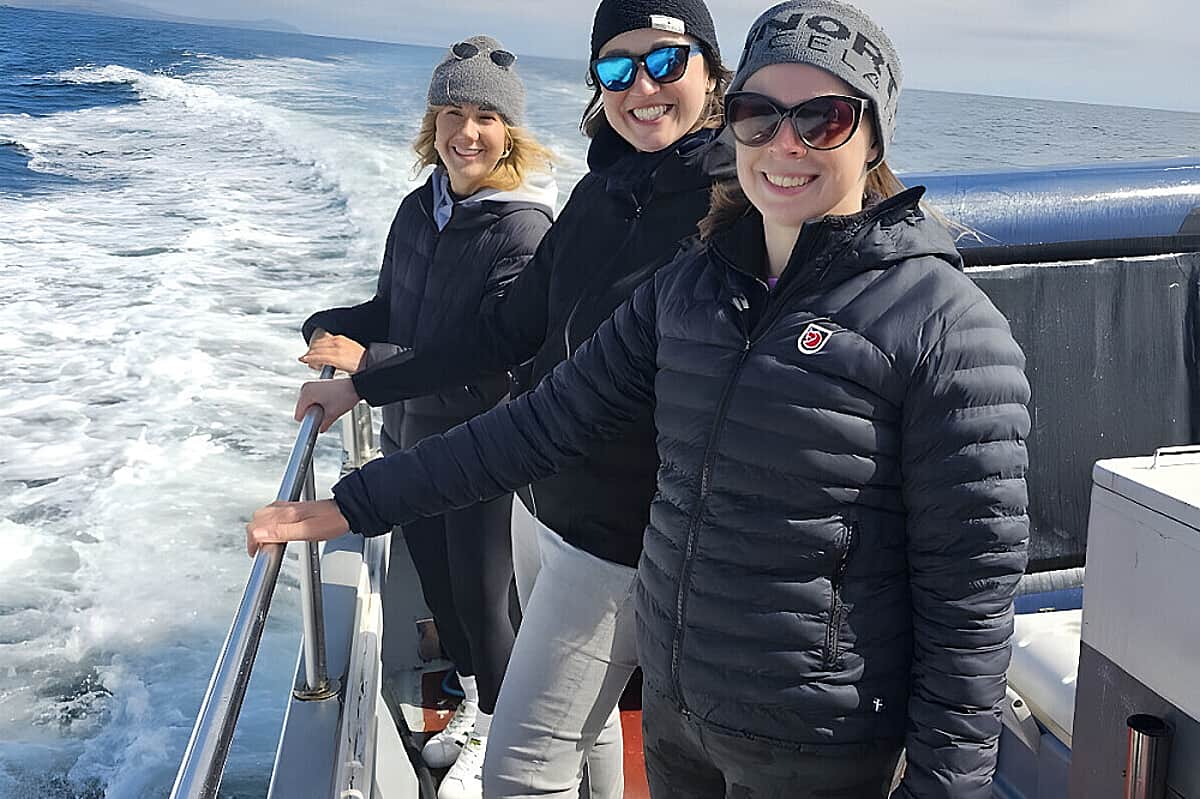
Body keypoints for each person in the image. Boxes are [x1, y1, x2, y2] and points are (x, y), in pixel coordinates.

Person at [254, 1, 1034, 796]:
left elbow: (967, 608)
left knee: (520, 776)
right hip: (679, 710)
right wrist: (356, 501)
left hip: (818, 736)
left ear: (873, 135)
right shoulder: (692, 284)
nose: (785, 144)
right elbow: (543, 417)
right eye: (760, 116)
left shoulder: (948, 328)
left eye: (823, 118)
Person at [278, 2, 731, 797]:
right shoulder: (605, 192)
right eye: (618, 68)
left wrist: (361, 492)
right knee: (579, 734)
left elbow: (575, 395)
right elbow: (504, 335)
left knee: (521, 771)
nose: (642, 86)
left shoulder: (731, 211)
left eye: (666, 61)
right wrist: (361, 382)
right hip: (538, 498)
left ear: (713, 72)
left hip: (620, 535)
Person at [295, 35, 556, 799]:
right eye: (451, 112)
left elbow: (487, 354)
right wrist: (324, 325)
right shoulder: (419, 209)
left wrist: (368, 366)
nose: (465, 132)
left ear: (510, 132)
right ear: (431, 122)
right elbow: (389, 308)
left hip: (480, 448)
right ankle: (476, 704)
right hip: (408, 434)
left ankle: (503, 735)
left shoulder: (522, 230)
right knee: (440, 591)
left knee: (484, 599)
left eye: (484, 116)